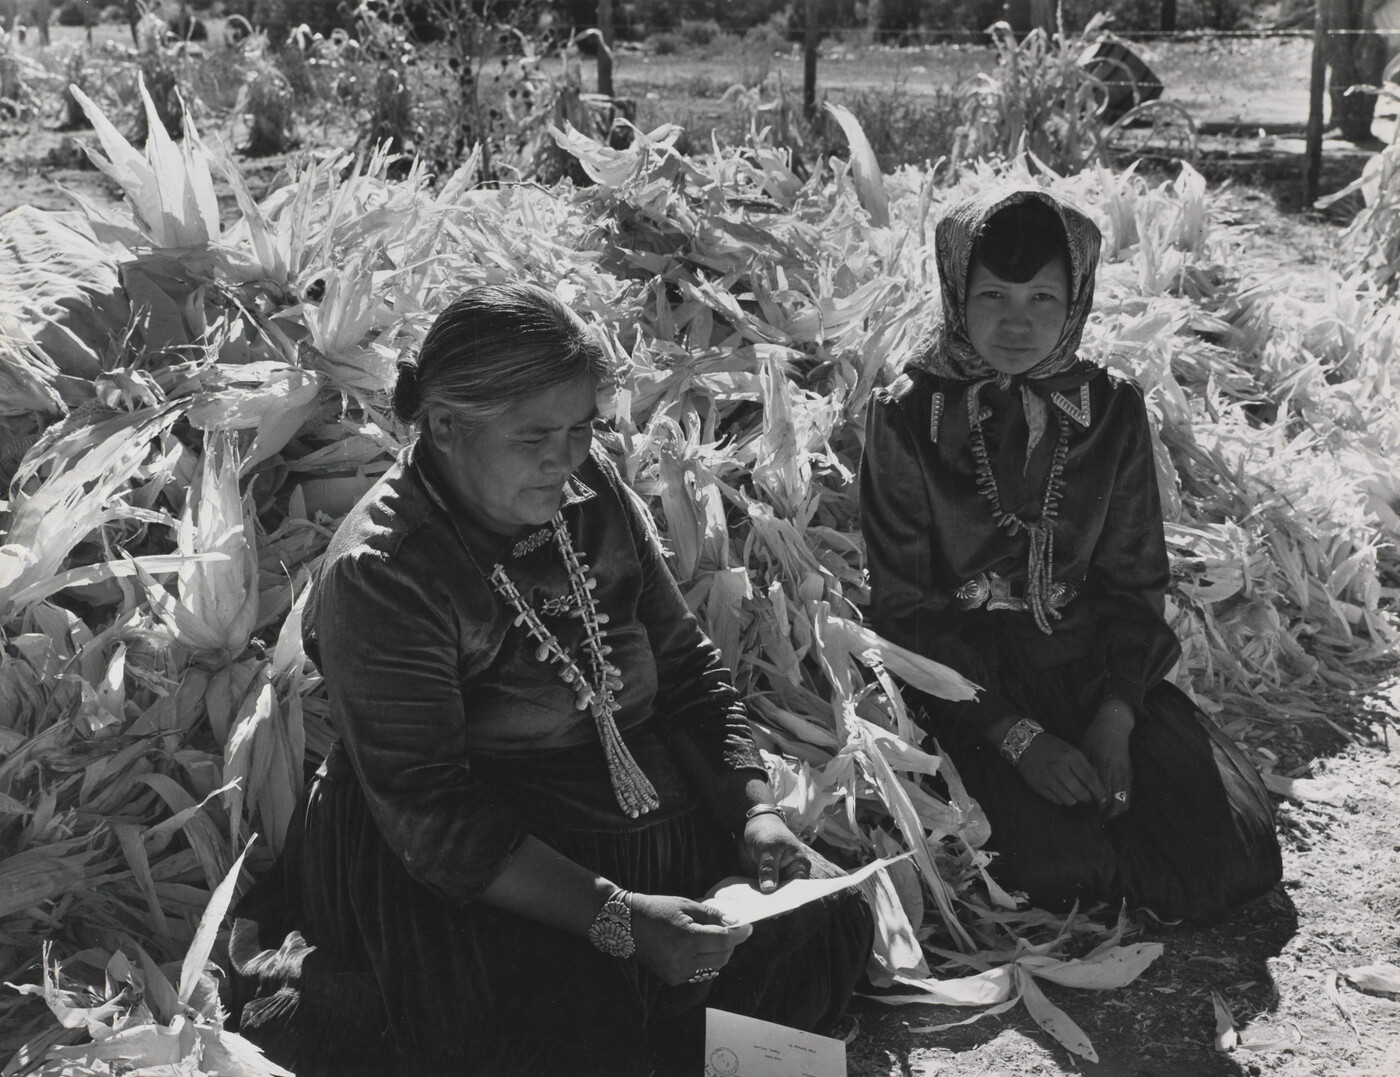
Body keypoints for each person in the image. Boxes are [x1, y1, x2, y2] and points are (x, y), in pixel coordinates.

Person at [229, 283, 873, 1076]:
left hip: (639, 805)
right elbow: (433, 813)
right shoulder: (386, 569)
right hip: (493, 862)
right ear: (443, 427)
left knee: (826, 918)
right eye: (535, 435)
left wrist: (756, 814)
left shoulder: (586, 487)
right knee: (563, 1022)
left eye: (579, 428)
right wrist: (621, 920)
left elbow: (685, 670)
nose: (566, 458)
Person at [859, 187, 1282, 924]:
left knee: (1238, 850)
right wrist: (1018, 738)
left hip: (1091, 661)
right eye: (992, 293)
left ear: (1076, 298)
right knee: (1060, 870)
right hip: (968, 681)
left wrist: (1117, 717)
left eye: (1042, 297)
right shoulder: (907, 412)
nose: (1017, 321)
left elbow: (1132, 579)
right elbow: (907, 608)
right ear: (957, 291)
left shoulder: (1110, 406)